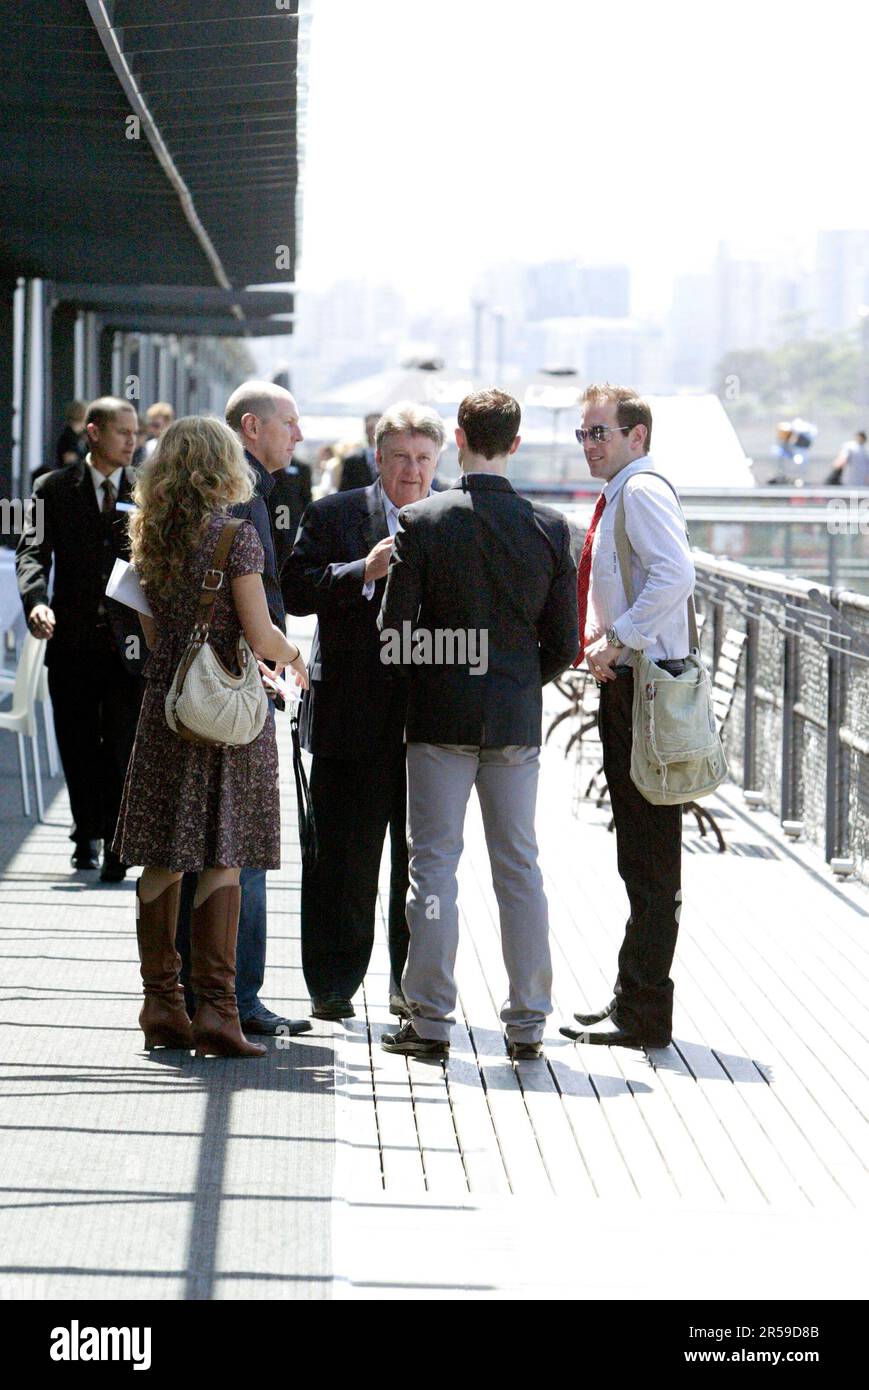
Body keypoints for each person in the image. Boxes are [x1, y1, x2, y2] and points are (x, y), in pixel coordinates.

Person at [378, 389, 579, 1061]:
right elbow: (563, 644)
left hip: (438, 721)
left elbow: (394, 634)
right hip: (515, 722)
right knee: (518, 867)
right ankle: (526, 1022)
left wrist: (437, 676)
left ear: (458, 436)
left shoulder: (422, 520)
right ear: (515, 444)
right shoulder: (550, 528)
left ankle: (430, 1019)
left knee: (432, 869)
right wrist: (519, 683)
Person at [112, 415, 309, 1058]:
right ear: (223, 466)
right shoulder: (238, 536)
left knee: (163, 852)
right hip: (222, 714)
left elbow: (151, 628)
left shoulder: (149, 537)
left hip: (164, 708)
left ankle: (161, 1003)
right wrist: (297, 658)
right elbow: (259, 635)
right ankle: (220, 1012)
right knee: (223, 849)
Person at [283, 402, 444, 1021]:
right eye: (400, 458)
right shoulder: (333, 514)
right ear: (378, 458)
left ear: (439, 460)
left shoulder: (452, 519)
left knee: (419, 864)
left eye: (424, 459)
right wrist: (360, 570)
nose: (412, 471)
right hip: (349, 715)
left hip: (427, 722)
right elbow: (295, 593)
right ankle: (331, 986)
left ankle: (408, 985)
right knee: (341, 862)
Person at [174, 380, 312, 1039]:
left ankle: (181, 991)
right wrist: (289, 661)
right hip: (235, 693)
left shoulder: (179, 501)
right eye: (290, 422)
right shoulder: (246, 497)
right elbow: (258, 616)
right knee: (243, 846)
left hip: (184, 695)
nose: (299, 435)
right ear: (251, 427)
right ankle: (236, 1000)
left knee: (188, 845)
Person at [560, 383, 694, 1051]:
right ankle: (631, 997)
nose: (588, 445)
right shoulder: (624, 492)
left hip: (645, 690)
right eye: (582, 434)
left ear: (635, 436)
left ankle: (643, 1011)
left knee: (648, 854)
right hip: (631, 685)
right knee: (638, 852)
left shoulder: (640, 492)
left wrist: (624, 639)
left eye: (599, 434)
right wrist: (607, 638)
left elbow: (675, 575)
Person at [16, 396, 145, 881]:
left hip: (128, 645)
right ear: (93, 433)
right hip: (70, 638)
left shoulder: (145, 488)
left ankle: (115, 841)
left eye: (136, 433)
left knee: (122, 742)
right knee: (76, 741)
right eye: (122, 432)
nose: (133, 441)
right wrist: (36, 602)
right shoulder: (51, 488)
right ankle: (85, 829)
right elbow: (33, 552)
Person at [339, 413, 380, 490]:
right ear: (365, 430)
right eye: (371, 428)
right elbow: (344, 491)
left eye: (378, 428)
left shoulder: (394, 459)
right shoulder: (352, 460)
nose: (374, 432)